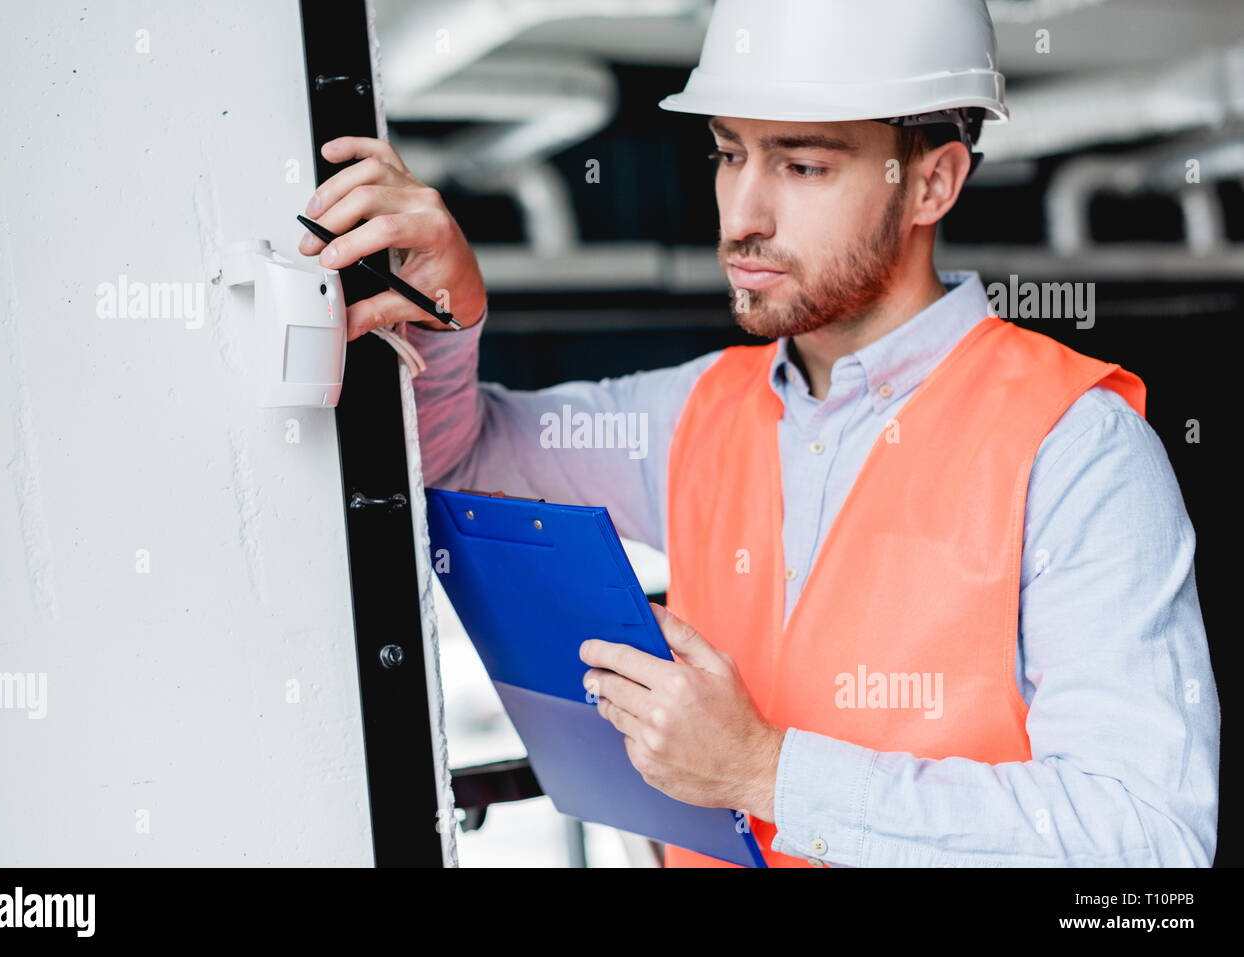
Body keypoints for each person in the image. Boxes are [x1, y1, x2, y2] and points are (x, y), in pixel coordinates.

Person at [298, 0, 1219, 867]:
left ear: (932, 180)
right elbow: (453, 460)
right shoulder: (699, 410)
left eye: (803, 165)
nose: (743, 216)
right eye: (728, 154)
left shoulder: (1074, 446)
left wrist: (765, 771)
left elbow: (1147, 840)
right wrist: (447, 315)